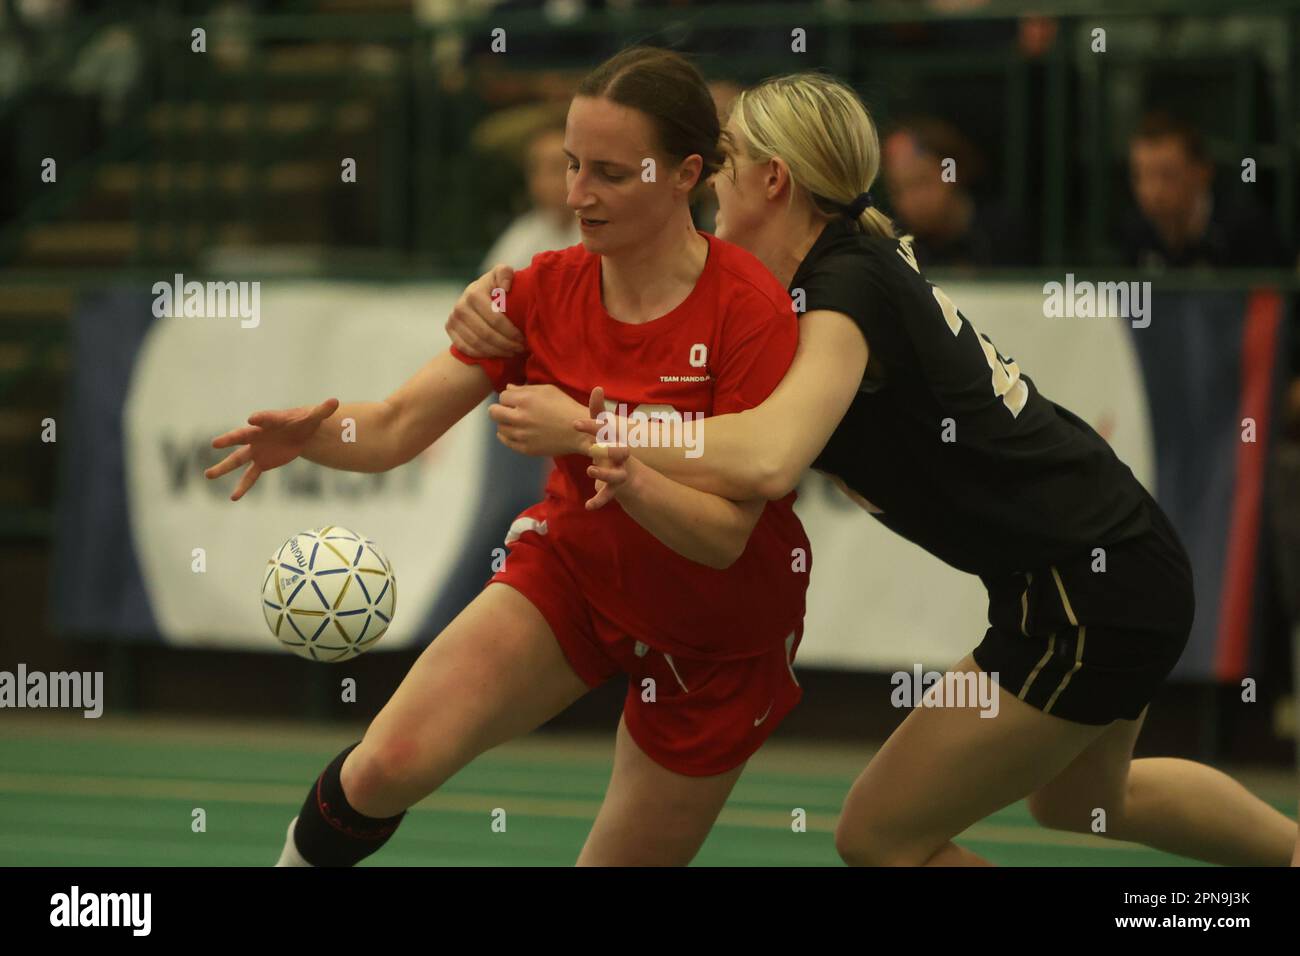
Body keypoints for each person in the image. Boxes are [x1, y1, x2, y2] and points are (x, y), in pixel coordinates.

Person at [450, 71, 1297, 866]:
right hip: (1110, 564)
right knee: (1084, 803)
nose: (710, 182)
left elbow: (769, 455)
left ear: (774, 181)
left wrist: (595, 426)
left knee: (879, 834)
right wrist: (504, 300)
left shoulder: (843, 290)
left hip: (1086, 592)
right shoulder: (830, 271)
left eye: (728, 164)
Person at [205, 47, 811, 867]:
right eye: (569, 165)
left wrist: (603, 446)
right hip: (573, 577)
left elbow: (725, 537)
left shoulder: (751, 309)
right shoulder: (533, 291)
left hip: (717, 635)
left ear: (684, 174)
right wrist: (308, 434)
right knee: (384, 764)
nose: (575, 196)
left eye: (607, 173)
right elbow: (390, 428)